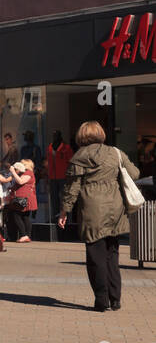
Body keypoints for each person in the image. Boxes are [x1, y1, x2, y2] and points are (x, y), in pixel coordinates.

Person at [59, 121, 140, 312]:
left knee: (96, 255)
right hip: (116, 207)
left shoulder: (78, 157)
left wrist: (65, 211)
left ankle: (101, 300)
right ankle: (115, 298)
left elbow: (72, 188)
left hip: (92, 209)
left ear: (81, 136)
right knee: (112, 254)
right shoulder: (116, 152)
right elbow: (135, 174)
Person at [5, 159, 38, 243]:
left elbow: (20, 181)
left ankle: (24, 235)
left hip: (23, 199)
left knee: (17, 215)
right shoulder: (24, 173)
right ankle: (26, 236)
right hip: (22, 198)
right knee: (25, 216)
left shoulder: (28, 173)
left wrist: (13, 172)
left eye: (22, 163)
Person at [46, 131, 74, 219]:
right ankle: (55, 216)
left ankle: (66, 217)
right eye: (53, 135)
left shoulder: (66, 147)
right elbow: (48, 162)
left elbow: (71, 162)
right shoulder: (50, 147)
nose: (54, 136)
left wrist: (70, 175)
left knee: (64, 198)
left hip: (63, 176)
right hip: (52, 177)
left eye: (56, 135)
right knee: (54, 199)